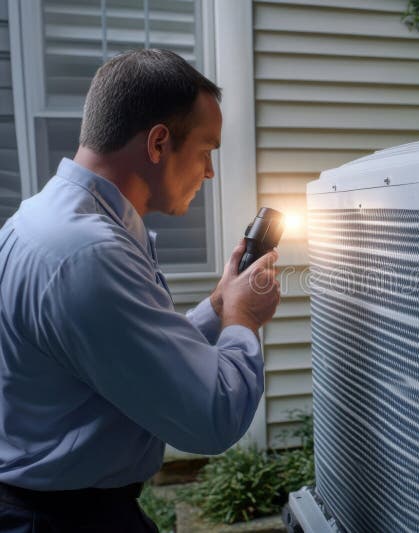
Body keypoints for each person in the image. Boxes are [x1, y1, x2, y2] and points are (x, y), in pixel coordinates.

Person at [0, 49, 280, 531]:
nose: (209, 173)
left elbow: (128, 354)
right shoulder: (90, 256)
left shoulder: (40, 219)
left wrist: (217, 308)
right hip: (66, 520)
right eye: (206, 150)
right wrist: (244, 321)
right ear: (157, 143)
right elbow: (211, 416)